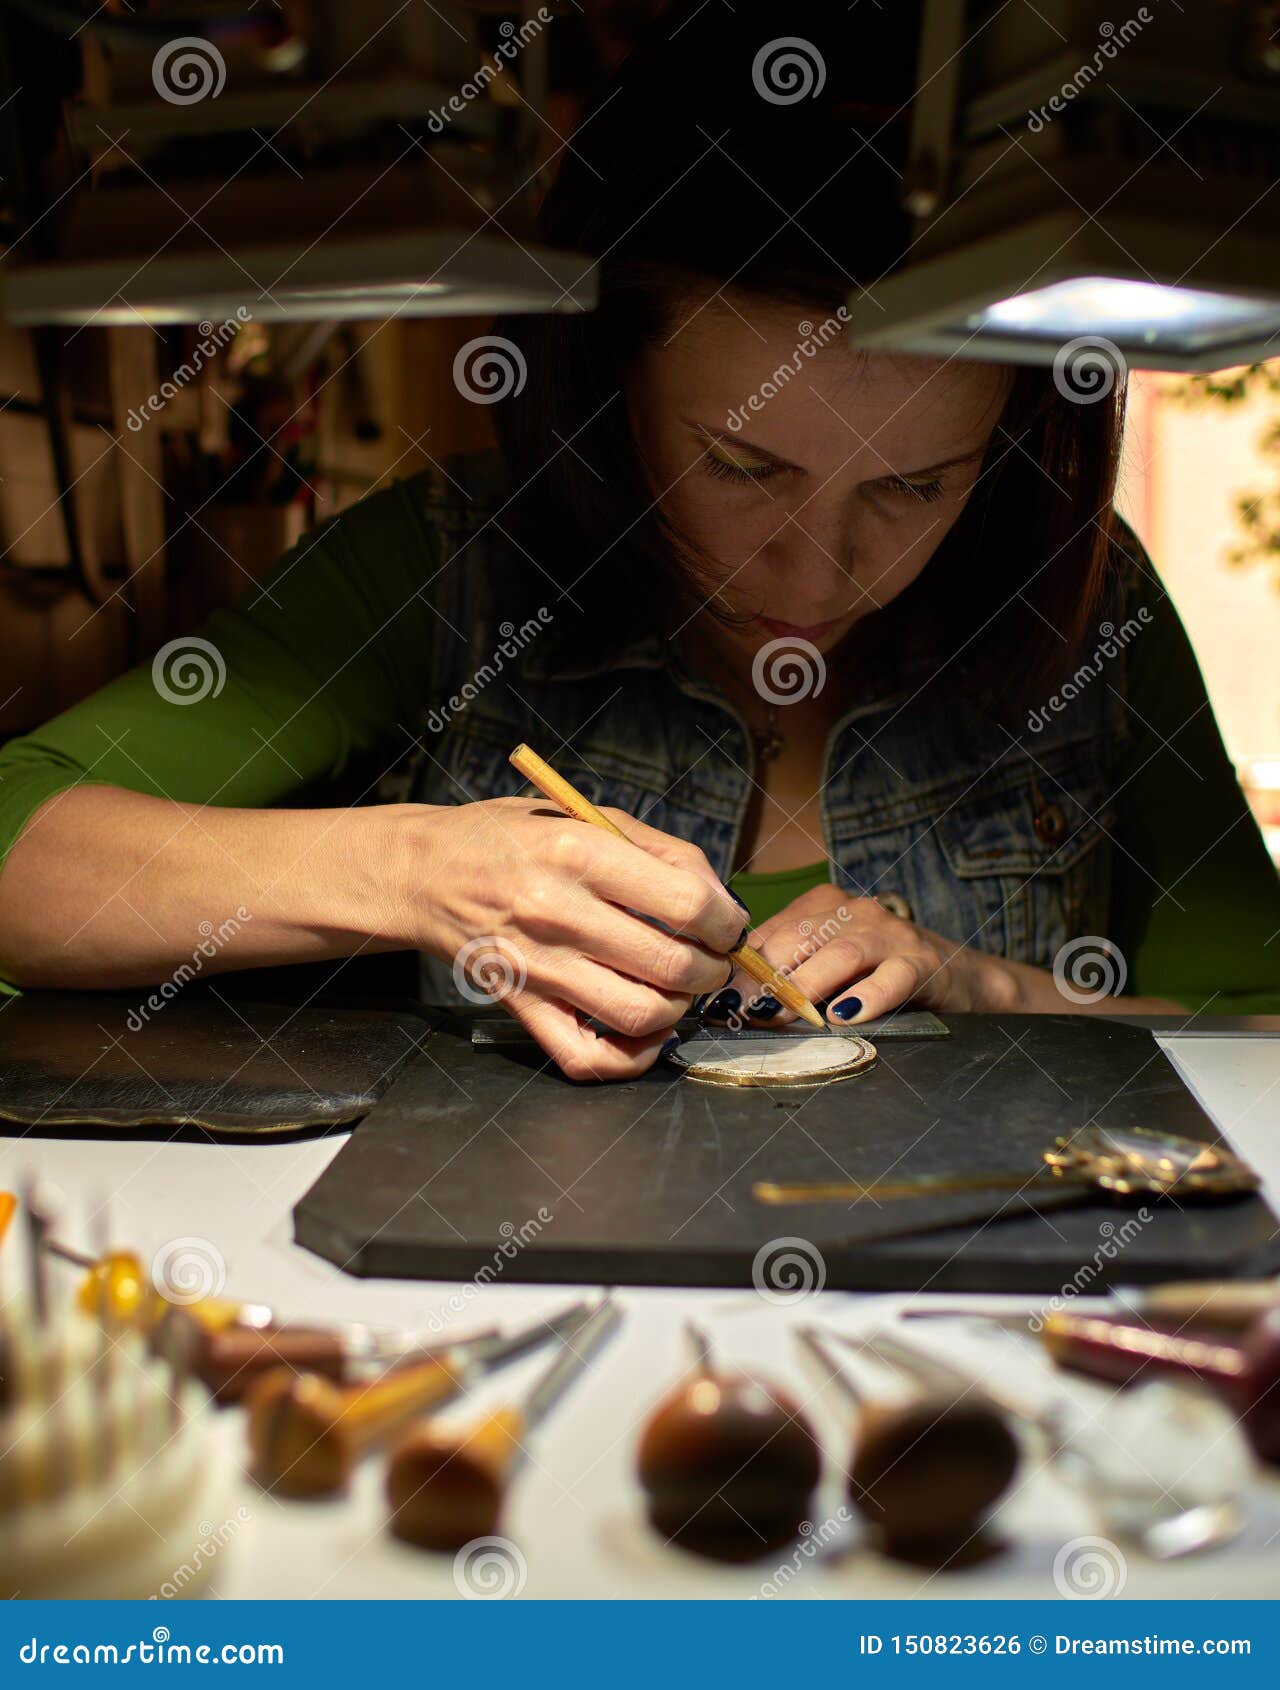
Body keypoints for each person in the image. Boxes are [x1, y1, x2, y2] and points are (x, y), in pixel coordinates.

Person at [1, 3, 1277, 1083]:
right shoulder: (448, 566)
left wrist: (990, 992)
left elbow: (1254, 1037)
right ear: (607, 407)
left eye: (912, 488)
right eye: (740, 466)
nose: (811, 570)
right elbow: (17, 843)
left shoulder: (1080, 597)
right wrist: (412, 866)